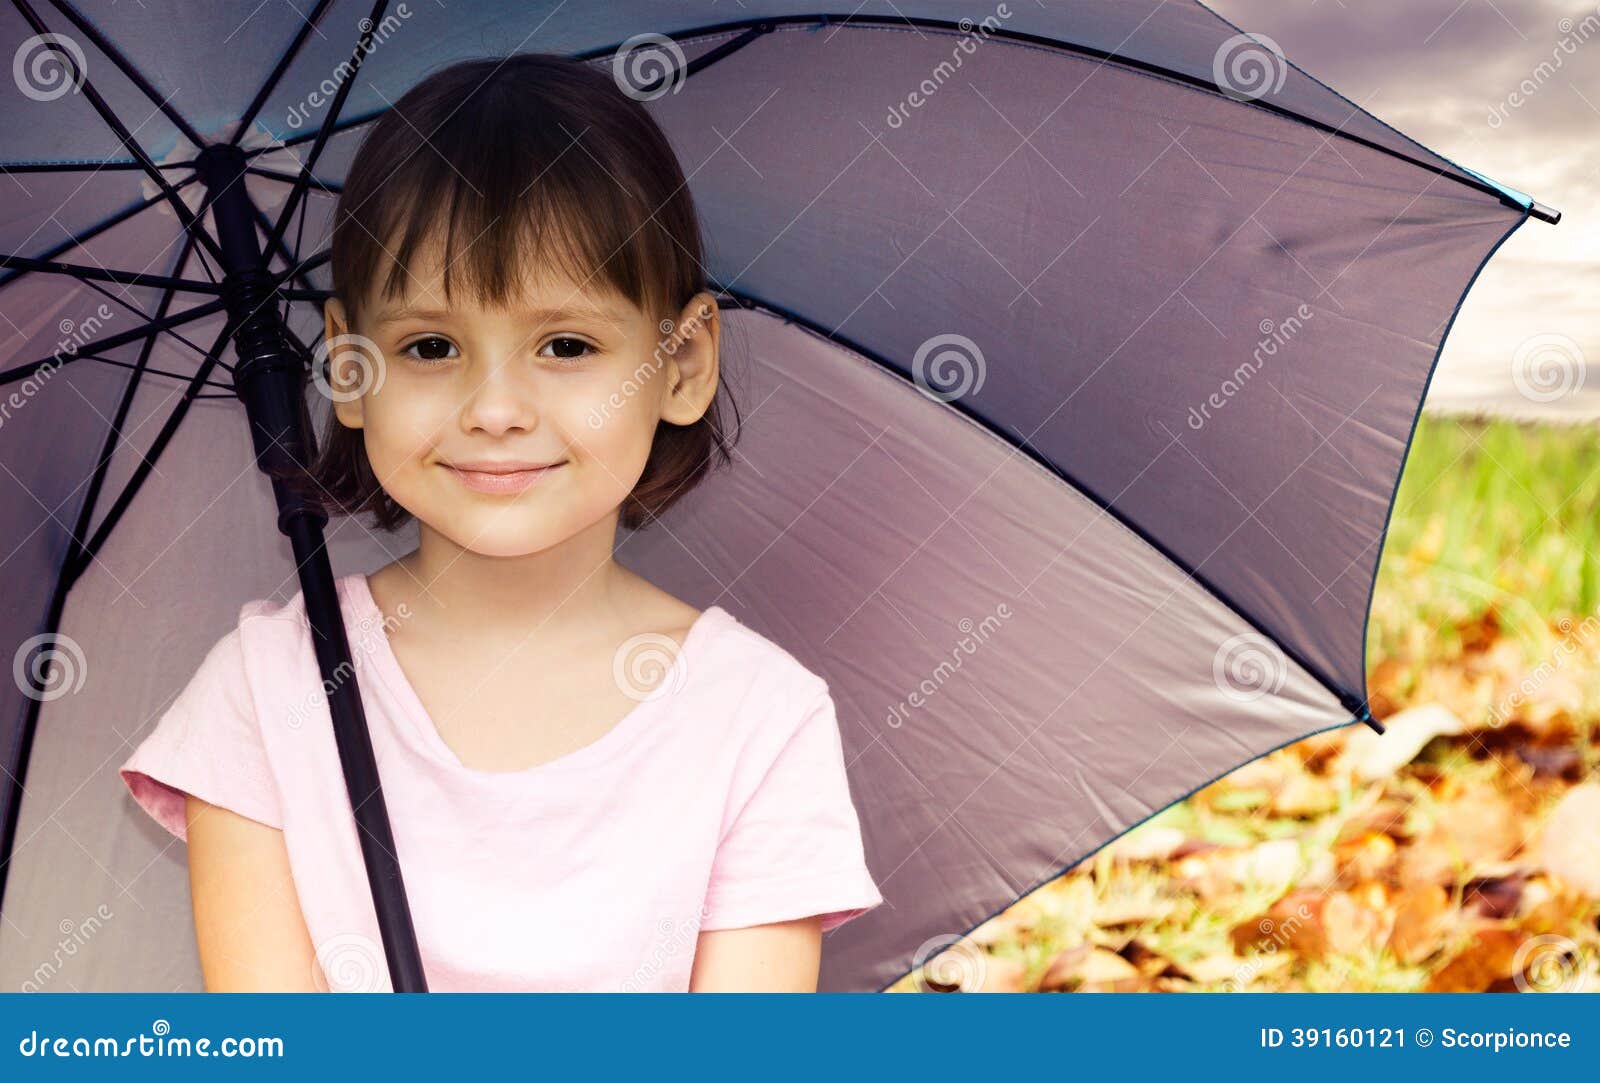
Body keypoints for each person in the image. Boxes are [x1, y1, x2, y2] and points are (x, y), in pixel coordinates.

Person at [119, 52, 882, 992]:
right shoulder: (264, 700)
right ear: (349, 368)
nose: (494, 407)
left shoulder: (759, 721)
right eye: (431, 346)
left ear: (681, 363)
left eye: (565, 345)